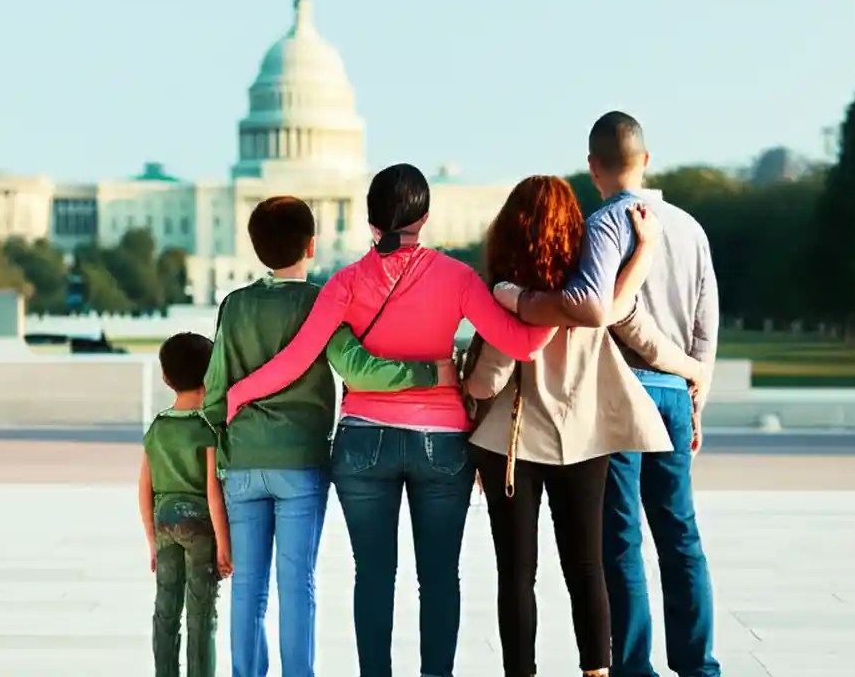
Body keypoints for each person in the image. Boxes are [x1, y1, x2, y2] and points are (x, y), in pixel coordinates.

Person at [225, 164, 556, 677]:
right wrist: (557, 301)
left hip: (363, 443)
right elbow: (522, 344)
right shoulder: (458, 278)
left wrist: (237, 395)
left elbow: (296, 359)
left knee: (374, 578)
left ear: (370, 221)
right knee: (439, 578)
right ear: (424, 218)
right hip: (441, 442)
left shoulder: (344, 282)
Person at [201, 195, 458, 677]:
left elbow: (216, 391)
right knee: (297, 585)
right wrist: (427, 372)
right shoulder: (322, 301)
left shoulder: (234, 305)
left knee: (248, 588)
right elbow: (358, 368)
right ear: (311, 246)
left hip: (243, 462)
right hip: (299, 461)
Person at [464, 176, 707, 677]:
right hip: (582, 442)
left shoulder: (510, 293)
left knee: (517, 575)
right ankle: (596, 670)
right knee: (588, 567)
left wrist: (465, 377)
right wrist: (693, 370)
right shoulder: (591, 289)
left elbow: (490, 381)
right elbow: (640, 333)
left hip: (514, 446)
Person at [508, 112, 722, 677]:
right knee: (680, 534)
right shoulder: (690, 229)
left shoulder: (602, 225)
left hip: (622, 393)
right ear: (646, 160)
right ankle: (699, 665)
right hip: (674, 393)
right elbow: (705, 327)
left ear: (592, 166)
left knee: (621, 539)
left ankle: (634, 666)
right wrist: (695, 393)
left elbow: (597, 308)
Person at [139, 332, 233, 677]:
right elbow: (213, 491)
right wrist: (224, 544)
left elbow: (144, 488)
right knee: (201, 614)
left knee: (166, 609)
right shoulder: (208, 428)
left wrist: (152, 540)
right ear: (211, 376)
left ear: (166, 379)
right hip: (201, 527)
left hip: (164, 522)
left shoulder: (158, 427)